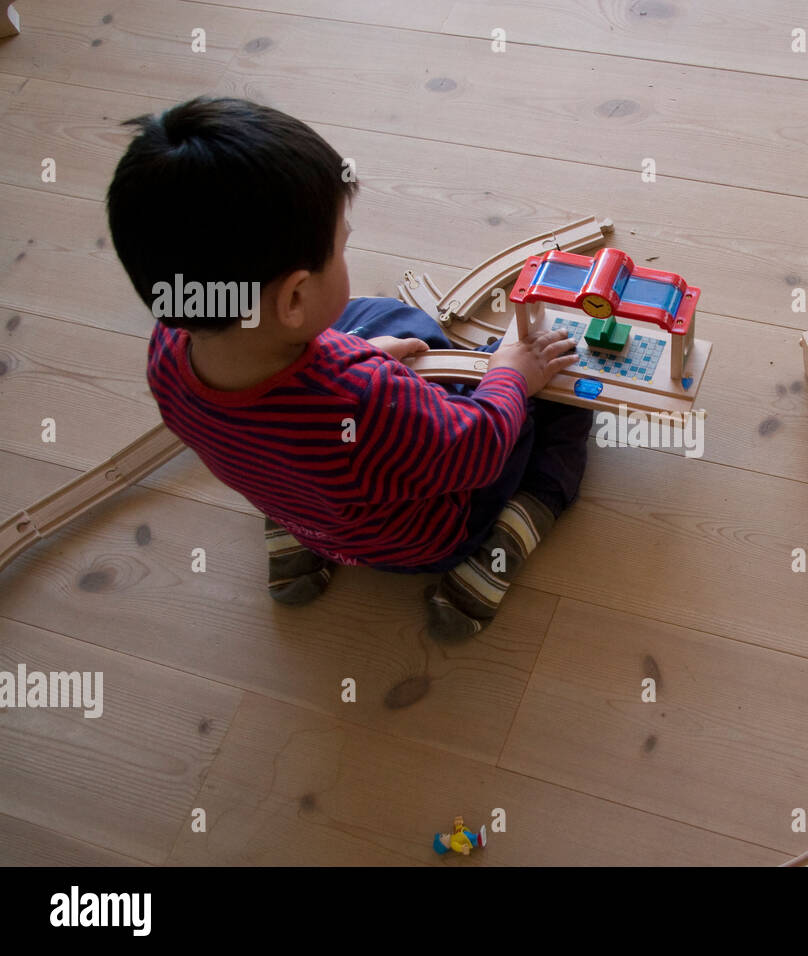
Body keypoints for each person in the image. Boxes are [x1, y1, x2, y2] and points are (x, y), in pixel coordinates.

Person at [106, 96, 592, 638]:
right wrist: (512, 374)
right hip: (427, 540)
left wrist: (360, 361)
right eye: (341, 247)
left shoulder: (165, 354)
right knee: (561, 410)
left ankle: (294, 532)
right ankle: (502, 547)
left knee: (382, 321)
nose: (345, 254)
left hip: (301, 494)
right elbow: (475, 451)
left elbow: (308, 400)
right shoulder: (366, 402)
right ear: (293, 299)